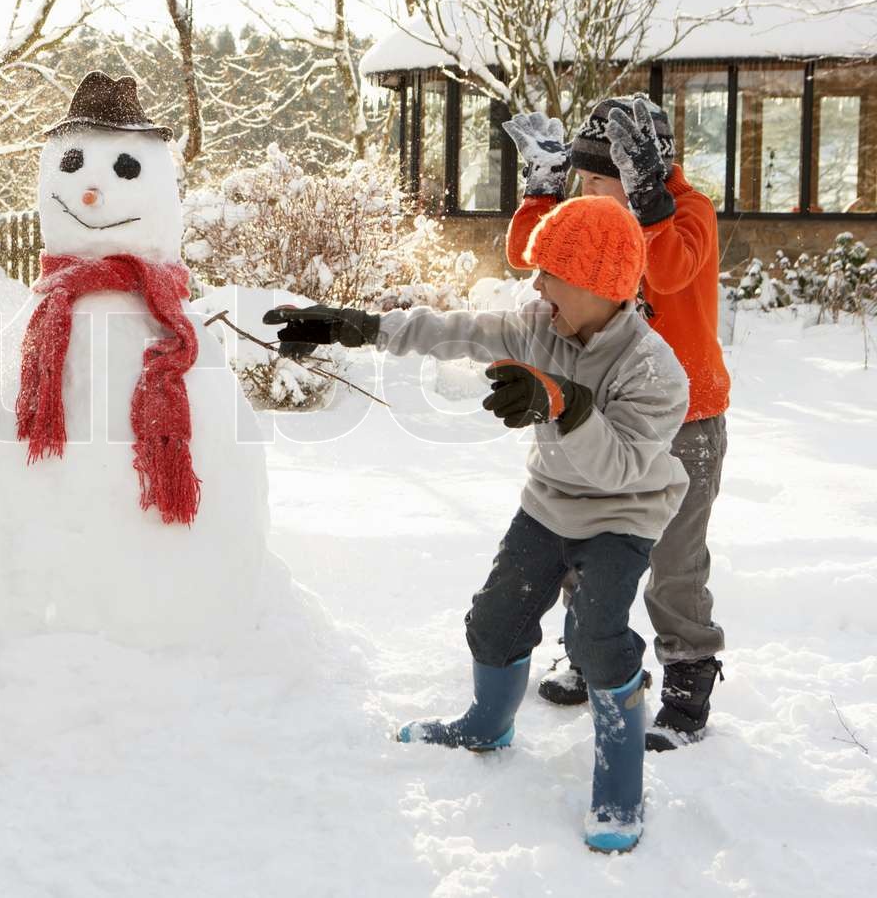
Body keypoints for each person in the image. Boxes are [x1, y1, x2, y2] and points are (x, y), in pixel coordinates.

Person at [267, 195, 689, 852]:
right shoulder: (537, 325)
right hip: (549, 504)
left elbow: (622, 465)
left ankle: (620, 785)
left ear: (598, 284)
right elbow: (452, 330)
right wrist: (354, 325)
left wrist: (562, 401)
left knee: (599, 636)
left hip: (623, 514)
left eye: (550, 271)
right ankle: (487, 724)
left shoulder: (654, 369)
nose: (537, 283)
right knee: (494, 621)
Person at [505, 97, 730, 751]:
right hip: (599, 415)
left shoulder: (688, 214)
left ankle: (689, 671)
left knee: (675, 558)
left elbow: (669, 268)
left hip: (686, 421)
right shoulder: (594, 219)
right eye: (582, 179)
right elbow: (530, 254)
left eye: (604, 180)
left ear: (646, 171)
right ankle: (587, 650)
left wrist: (650, 199)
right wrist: (542, 191)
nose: (592, 194)